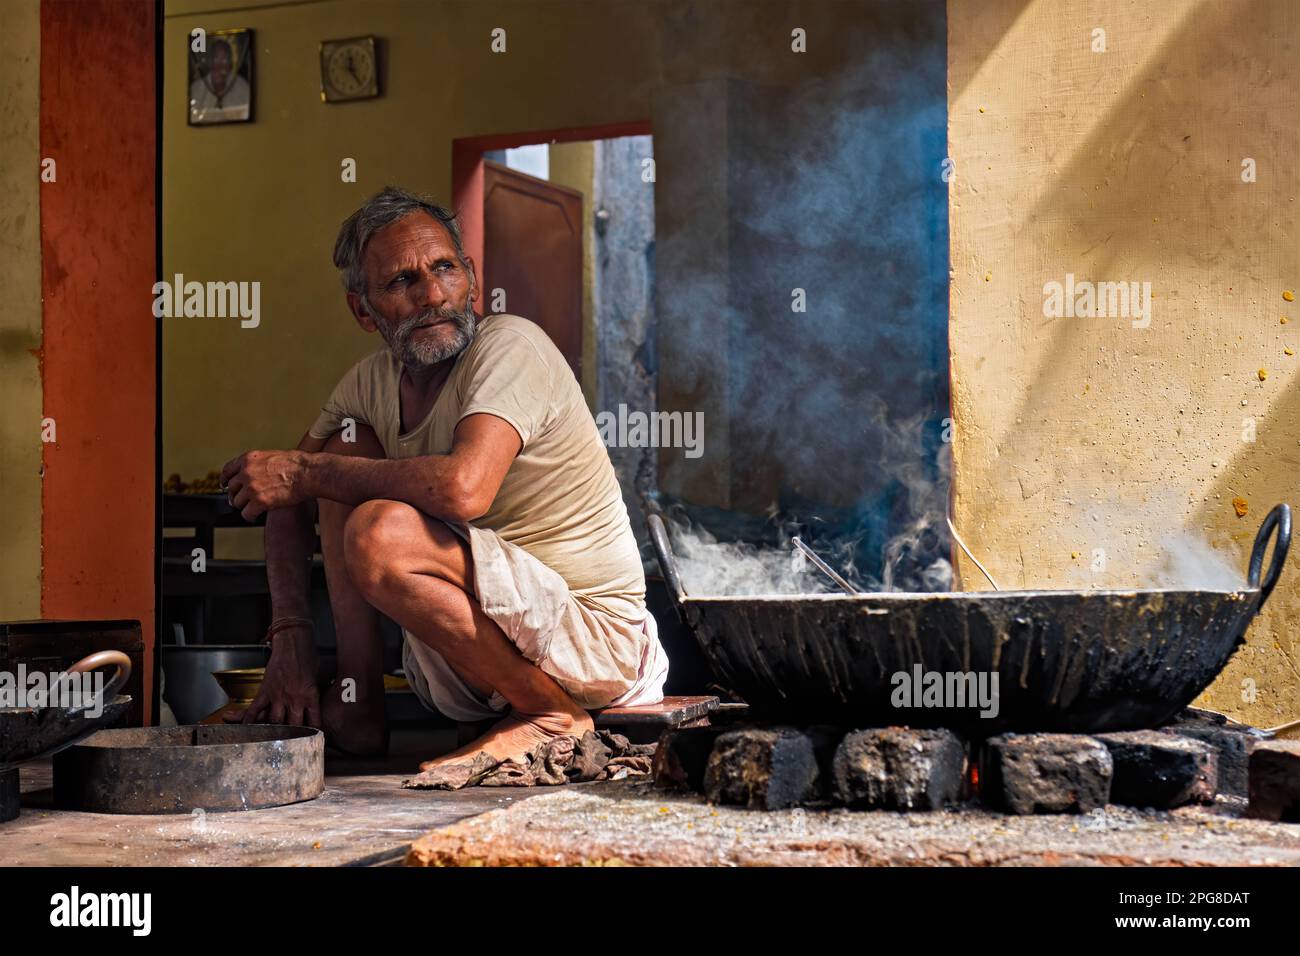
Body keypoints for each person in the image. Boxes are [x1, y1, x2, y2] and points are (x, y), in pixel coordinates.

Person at [220, 186, 668, 769]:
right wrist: (290, 641)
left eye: (444, 269)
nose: (433, 296)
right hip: (467, 666)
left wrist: (306, 470)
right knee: (344, 450)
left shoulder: (511, 347)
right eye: (402, 282)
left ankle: (550, 715)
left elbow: (464, 489)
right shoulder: (369, 382)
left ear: (472, 278)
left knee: (377, 528)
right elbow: (284, 490)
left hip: (591, 645)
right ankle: (360, 705)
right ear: (363, 310)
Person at [189, 38, 250, 123]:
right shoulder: (196, 90)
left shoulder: (243, 88)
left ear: (231, 64)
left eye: (224, 60)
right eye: (216, 59)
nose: (220, 66)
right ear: (209, 62)